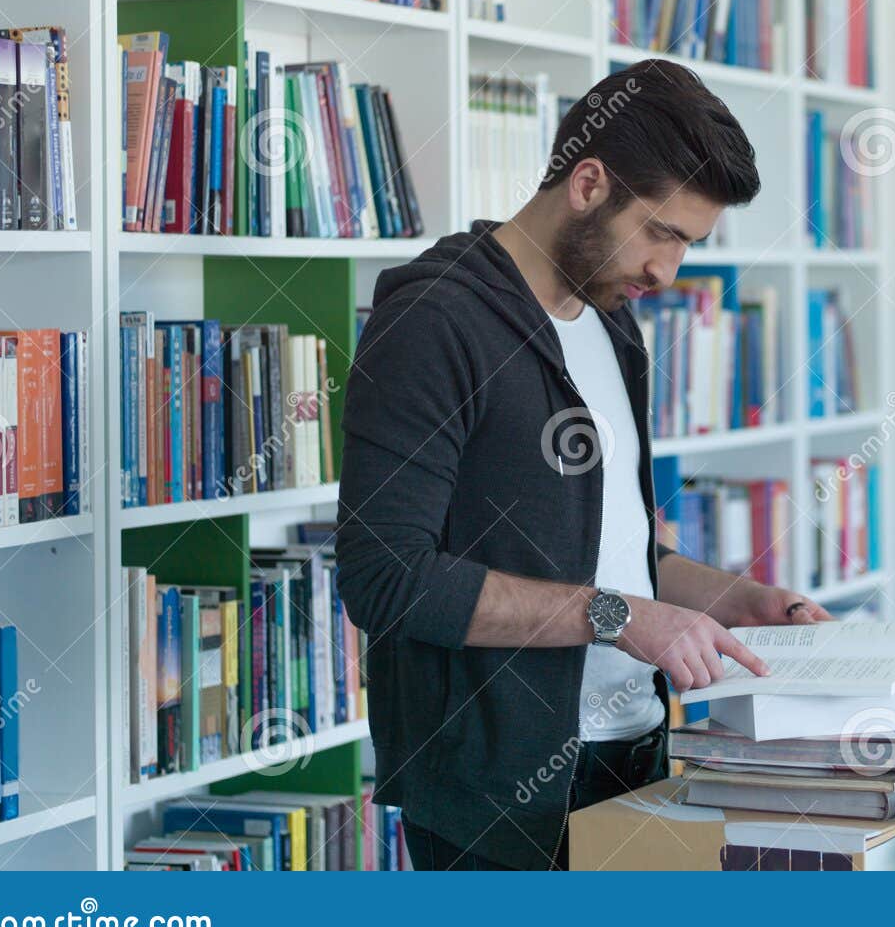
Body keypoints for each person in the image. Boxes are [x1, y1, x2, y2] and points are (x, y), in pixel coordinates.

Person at [335, 59, 834, 870]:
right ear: (589, 183)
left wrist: (739, 600)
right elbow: (385, 578)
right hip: (496, 796)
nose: (667, 272)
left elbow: (610, 550)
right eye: (662, 233)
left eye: (688, 244)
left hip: (636, 758)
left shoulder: (610, 324)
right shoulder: (433, 321)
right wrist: (622, 618)